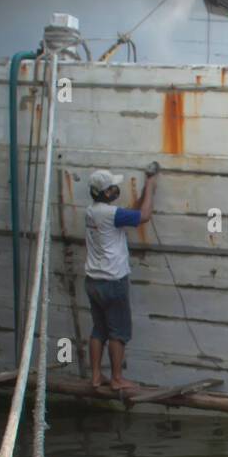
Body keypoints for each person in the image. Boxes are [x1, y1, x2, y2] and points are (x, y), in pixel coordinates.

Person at [84, 163, 159, 391]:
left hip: (92, 280)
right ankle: (117, 379)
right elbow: (144, 216)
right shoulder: (111, 214)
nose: (117, 190)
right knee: (119, 332)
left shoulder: (91, 211)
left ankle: (96, 376)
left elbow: (132, 214)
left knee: (99, 330)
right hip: (113, 281)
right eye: (113, 188)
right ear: (107, 193)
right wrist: (152, 186)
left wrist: (143, 193)